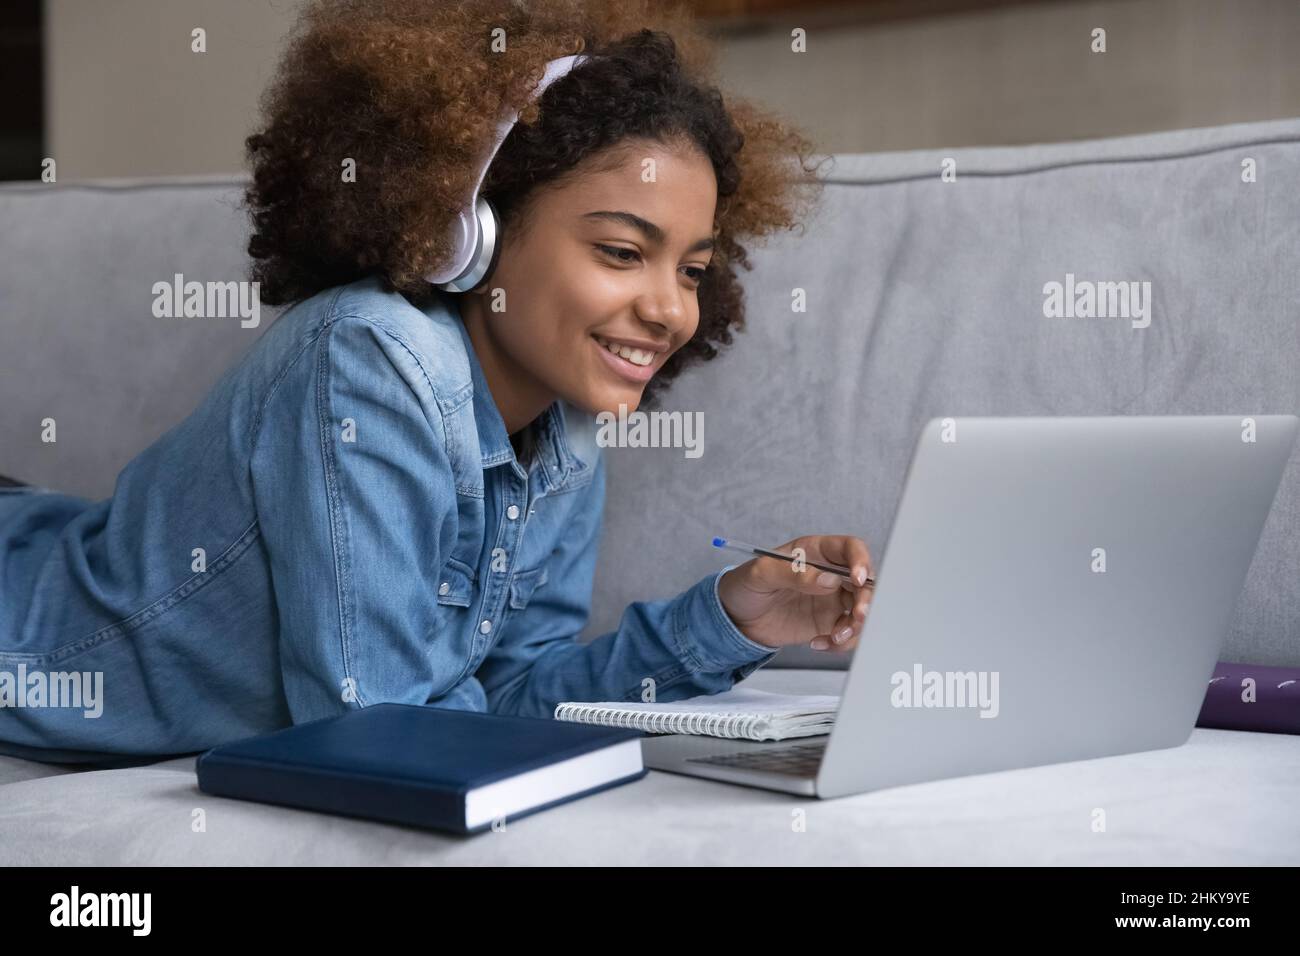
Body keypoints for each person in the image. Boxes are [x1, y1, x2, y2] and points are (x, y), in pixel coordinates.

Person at [0, 0, 872, 765]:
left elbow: (522, 694)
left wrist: (731, 618)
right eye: (621, 251)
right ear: (471, 232)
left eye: (691, 270)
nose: (668, 309)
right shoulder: (369, 359)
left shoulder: (566, 432)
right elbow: (369, 725)